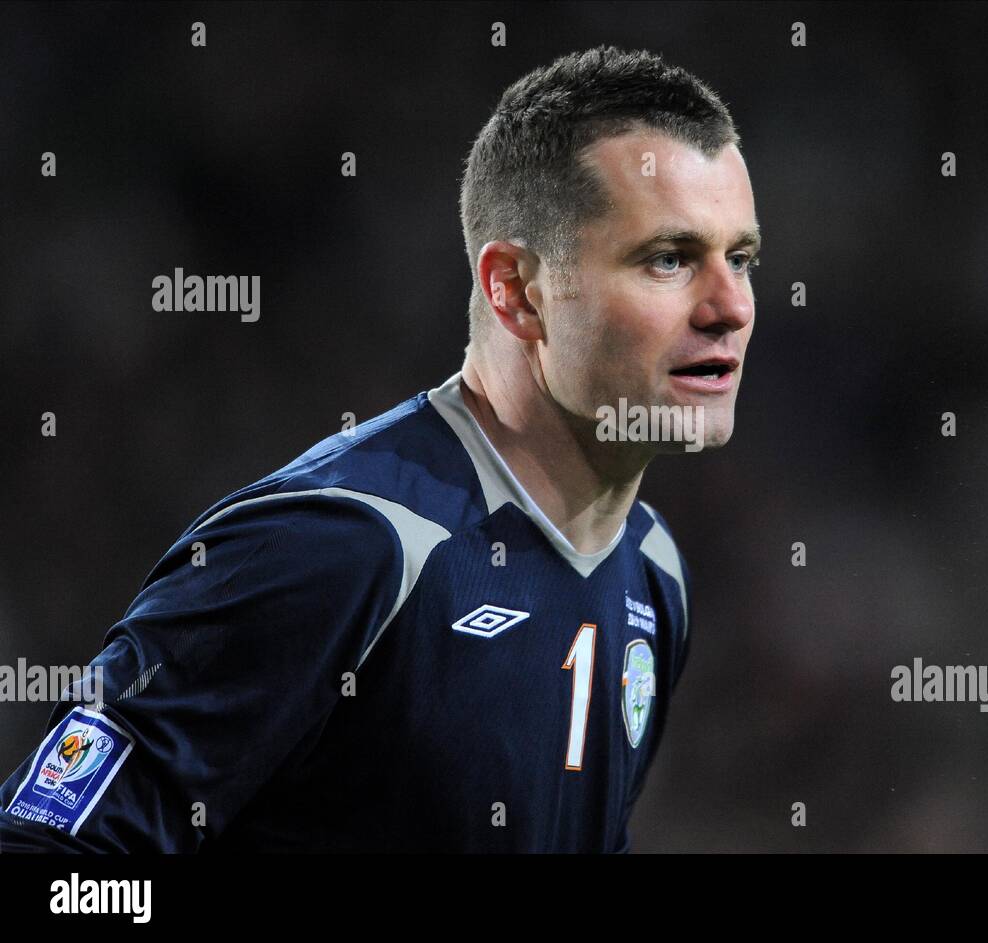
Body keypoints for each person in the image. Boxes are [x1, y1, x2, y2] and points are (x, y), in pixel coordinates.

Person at [0, 44, 759, 852]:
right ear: (516, 290)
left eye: (742, 258)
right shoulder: (345, 545)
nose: (731, 306)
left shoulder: (652, 571)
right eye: (669, 259)